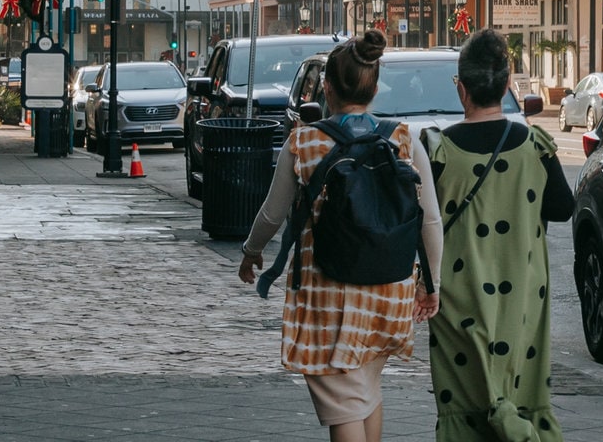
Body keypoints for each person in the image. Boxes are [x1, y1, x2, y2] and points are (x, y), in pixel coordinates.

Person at [239, 31, 443, 442]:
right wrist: (431, 286)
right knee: (364, 389)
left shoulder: (304, 143)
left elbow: (272, 213)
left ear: (326, 88)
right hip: (390, 289)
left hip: (327, 292)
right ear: (373, 87)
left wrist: (251, 252)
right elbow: (430, 221)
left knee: (343, 400)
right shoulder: (404, 139)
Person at [427, 30, 572, 442]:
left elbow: (421, 225)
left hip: (457, 298)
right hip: (522, 296)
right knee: (518, 385)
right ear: (507, 85)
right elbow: (562, 208)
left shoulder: (440, 151)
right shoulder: (533, 146)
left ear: (462, 89)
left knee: (466, 396)